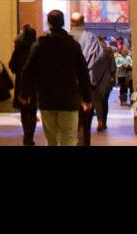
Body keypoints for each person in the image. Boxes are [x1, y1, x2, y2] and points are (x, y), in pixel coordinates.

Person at [19, 9, 92, 146]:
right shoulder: (73, 45)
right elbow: (83, 73)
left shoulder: (40, 45)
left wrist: (25, 94)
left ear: (49, 23)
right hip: (69, 99)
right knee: (69, 137)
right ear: (63, 23)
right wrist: (87, 98)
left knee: (51, 139)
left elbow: (27, 71)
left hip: (47, 99)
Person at [71, 12, 114, 142]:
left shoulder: (65, 38)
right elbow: (94, 60)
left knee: (68, 122)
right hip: (86, 83)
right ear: (83, 22)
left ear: (71, 23)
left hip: (68, 85)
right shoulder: (90, 38)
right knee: (84, 122)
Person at [9, 24, 39, 145]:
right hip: (34, 83)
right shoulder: (38, 47)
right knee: (32, 110)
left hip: (21, 82)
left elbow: (12, 65)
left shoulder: (19, 48)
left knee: (24, 111)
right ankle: (30, 136)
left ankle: (26, 135)